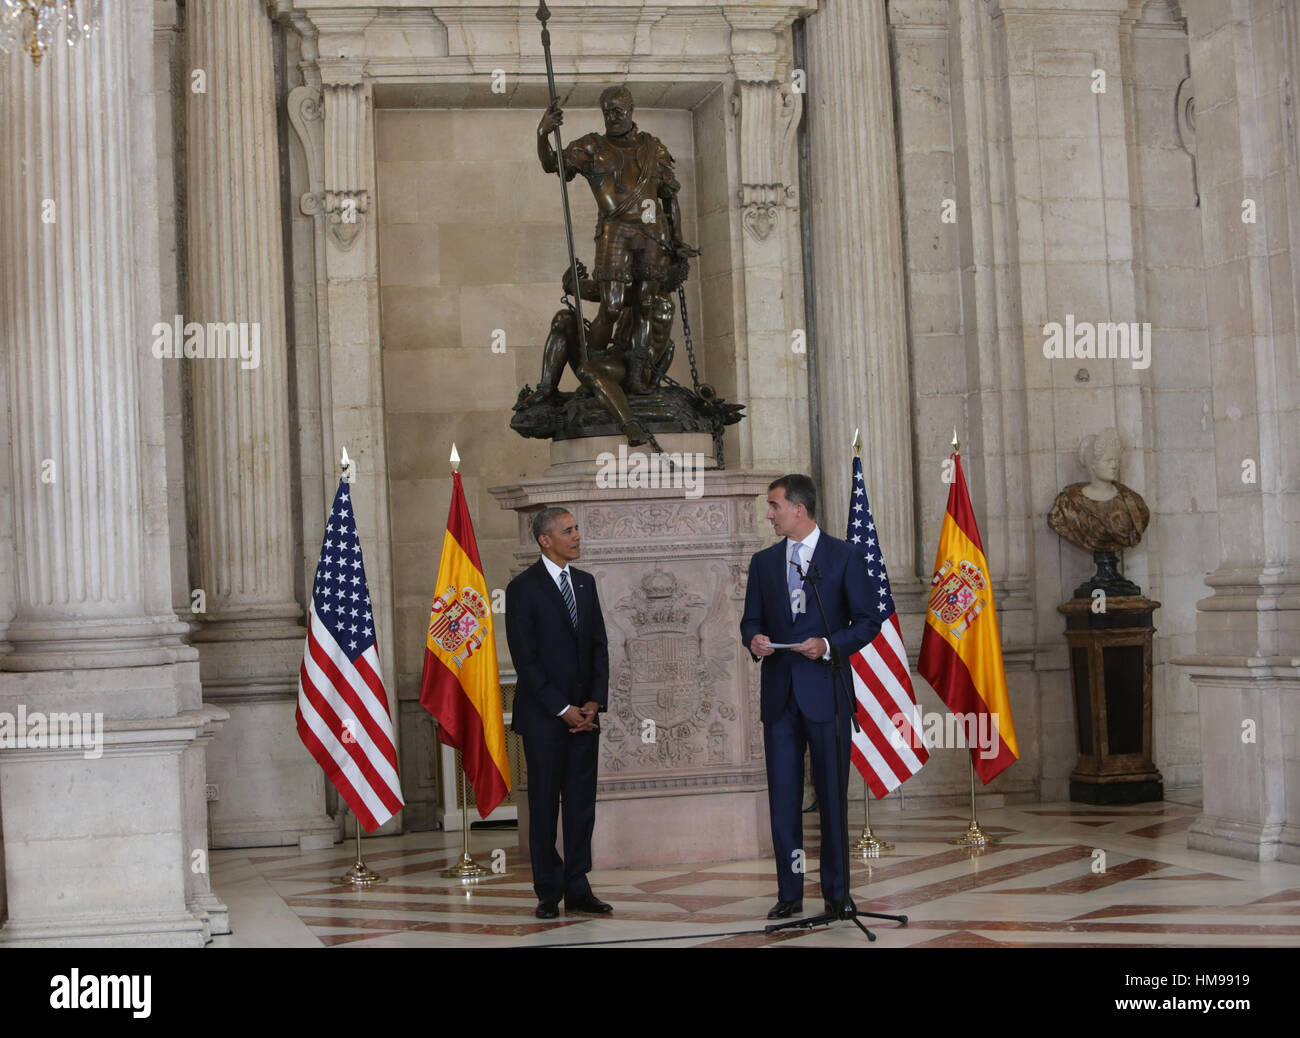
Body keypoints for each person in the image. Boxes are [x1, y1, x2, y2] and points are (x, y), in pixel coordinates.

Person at [739, 475, 878, 920]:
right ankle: (790, 891)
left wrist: (829, 644)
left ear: (799, 508)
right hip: (779, 697)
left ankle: (837, 893)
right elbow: (750, 619)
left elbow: (868, 620)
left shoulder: (845, 556)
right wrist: (754, 640)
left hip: (827, 693)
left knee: (832, 796)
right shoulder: (763, 562)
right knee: (784, 798)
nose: (769, 514)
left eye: (774, 505)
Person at [536, 85, 697, 363]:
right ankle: (594, 368)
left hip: (651, 232)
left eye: (618, 110)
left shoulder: (652, 147)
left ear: (631, 110)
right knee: (610, 307)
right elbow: (553, 164)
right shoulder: (591, 147)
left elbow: (669, 198)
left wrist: (677, 240)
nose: (613, 117)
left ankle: (637, 372)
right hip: (614, 232)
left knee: (645, 305)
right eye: (607, 112)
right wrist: (543, 133)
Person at [505, 506, 612, 919]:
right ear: (545, 540)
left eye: (577, 529)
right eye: (569, 531)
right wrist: (562, 708)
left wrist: (593, 703)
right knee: (546, 805)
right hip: (544, 719)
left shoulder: (585, 584)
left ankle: (578, 886)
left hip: (586, 718)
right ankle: (548, 891)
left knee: (581, 804)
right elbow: (526, 660)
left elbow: (599, 646)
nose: (577, 536)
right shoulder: (522, 589)